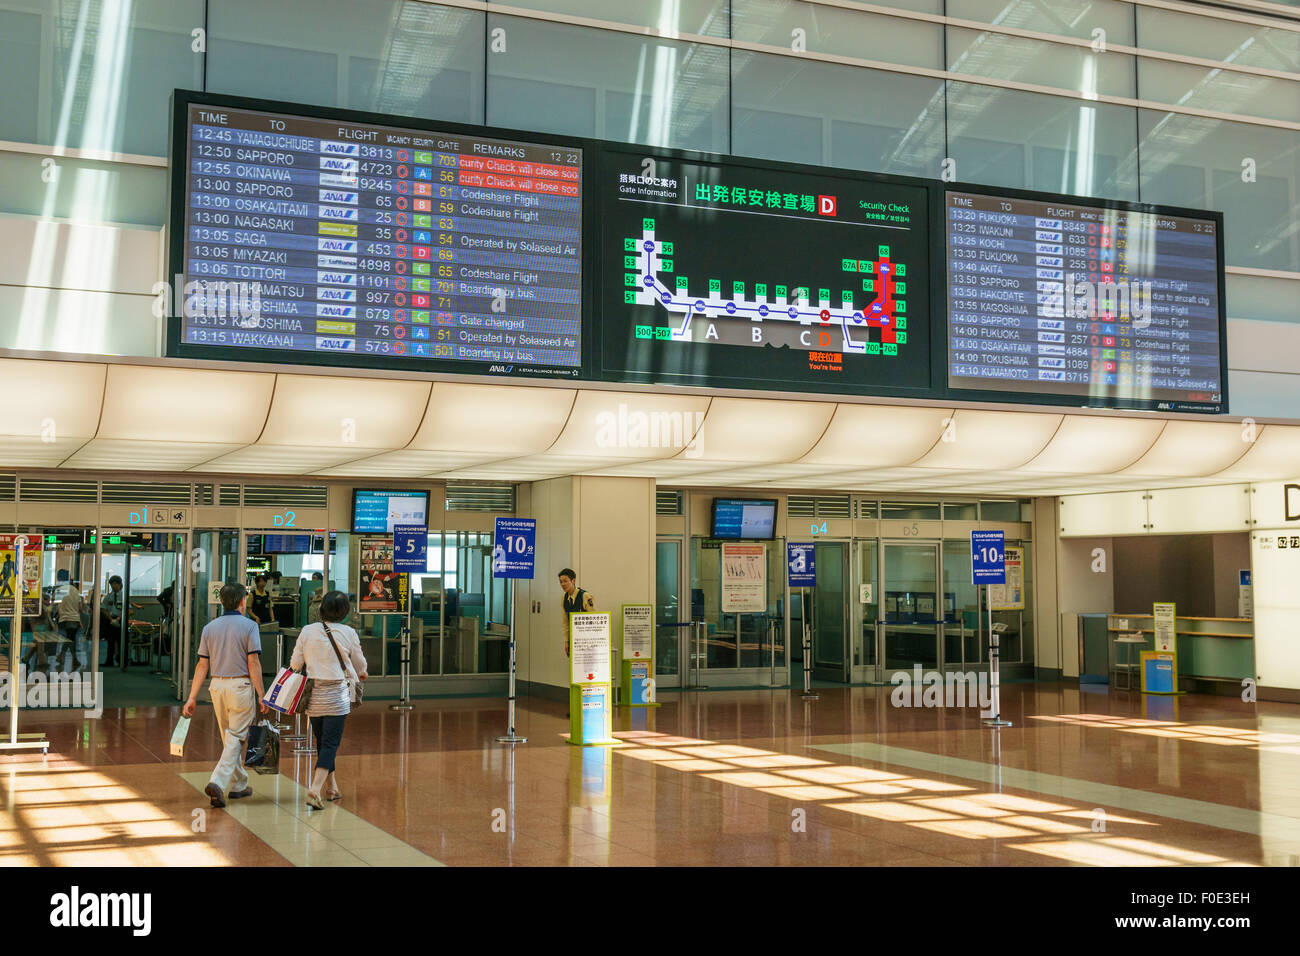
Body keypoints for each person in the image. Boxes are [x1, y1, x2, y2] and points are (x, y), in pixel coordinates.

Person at [183, 583, 268, 808]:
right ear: (242, 601)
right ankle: (217, 782)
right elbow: (253, 662)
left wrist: (192, 697)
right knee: (236, 738)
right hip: (240, 687)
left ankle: (239, 784)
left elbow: (202, 665)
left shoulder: (210, 628)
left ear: (221, 601)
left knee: (230, 738)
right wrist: (261, 694)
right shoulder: (250, 626)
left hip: (217, 686)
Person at [289, 591, 367, 810]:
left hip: (313, 696)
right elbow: (360, 664)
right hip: (337, 695)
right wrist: (362, 673)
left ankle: (331, 787)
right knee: (330, 744)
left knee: (323, 742)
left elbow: (295, 664)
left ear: (321, 608)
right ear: (344, 612)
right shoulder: (349, 632)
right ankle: (315, 788)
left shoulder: (307, 630)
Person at [558, 568, 595, 658]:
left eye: (565, 581)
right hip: (574, 639)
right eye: (561, 582)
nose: (563, 584)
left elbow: (594, 619)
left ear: (573, 580)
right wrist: (566, 642)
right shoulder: (564, 598)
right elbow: (565, 622)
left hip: (587, 640)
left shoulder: (585, 596)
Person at [54, 576, 84, 672]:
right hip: (74, 619)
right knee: (71, 639)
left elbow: (56, 606)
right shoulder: (75, 591)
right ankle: (72, 659)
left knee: (69, 639)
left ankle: (62, 656)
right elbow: (80, 608)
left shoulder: (59, 590)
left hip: (63, 619)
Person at [99, 575, 124, 667]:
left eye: (115, 584)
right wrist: (111, 619)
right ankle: (109, 661)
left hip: (120, 620)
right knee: (110, 642)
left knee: (120, 642)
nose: (113, 586)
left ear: (120, 585)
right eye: (112, 584)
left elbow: (126, 609)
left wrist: (118, 619)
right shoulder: (108, 597)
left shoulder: (123, 596)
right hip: (110, 621)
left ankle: (121, 661)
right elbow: (104, 609)